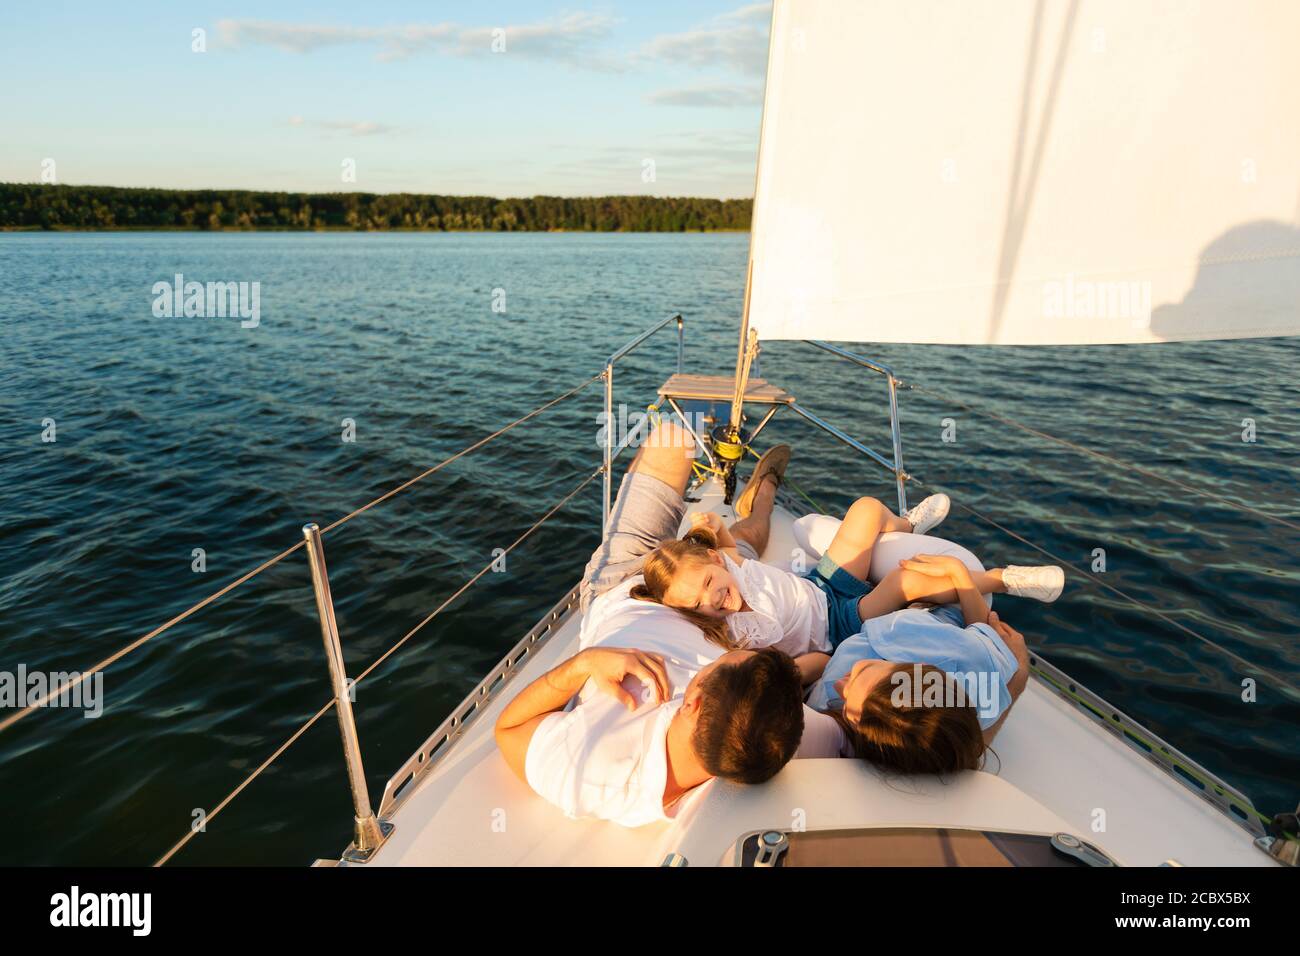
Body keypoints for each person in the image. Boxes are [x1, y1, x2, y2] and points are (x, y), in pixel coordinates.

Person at [495, 422, 815, 828]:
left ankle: (756, 496)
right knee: (737, 541)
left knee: (671, 437)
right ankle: (758, 496)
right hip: (706, 604)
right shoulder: (750, 730)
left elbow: (508, 729)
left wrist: (585, 664)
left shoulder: (593, 772)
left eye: (724, 660)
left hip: (624, 586)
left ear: (692, 700)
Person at [629, 489, 1063, 655]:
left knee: (865, 509)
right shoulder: (740, 632)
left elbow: (726, 545)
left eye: (708, 583)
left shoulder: (729, 563)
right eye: (696, 605)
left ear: (716, 563)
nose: (712, 600)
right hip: (839, 623)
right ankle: (1003, 579)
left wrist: (715, 525)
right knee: (903, 581)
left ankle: (906, 525)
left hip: (821, 583)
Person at [802, 552, 1035, 775]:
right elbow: (982, 639)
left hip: (899, 607)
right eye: (863, 670)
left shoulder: (826, 706)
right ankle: (999, 578)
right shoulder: (974, 696)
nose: (839, 687)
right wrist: (959, 574)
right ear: (915, 666)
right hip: (950, 611)